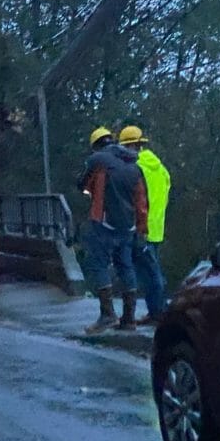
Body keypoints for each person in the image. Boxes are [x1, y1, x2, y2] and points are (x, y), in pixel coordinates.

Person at [78, 126, 147, 334]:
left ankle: (107, 315)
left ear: (96, 145)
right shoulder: (134, 165)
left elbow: (83, 184)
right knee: (126, 267)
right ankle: (129, 318)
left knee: (97, 264)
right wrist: (141, 228)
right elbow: (142, 201)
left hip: (104, 223)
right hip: (128, 226)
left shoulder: (97, 160)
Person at [120, 126, 169, 327]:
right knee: (152, 269)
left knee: (150, 273)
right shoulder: (160, 167)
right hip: (156, 227)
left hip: (141, 228)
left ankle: (159, 314)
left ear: (132, 146)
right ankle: (156, 311)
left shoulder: (135, 168)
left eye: (124, 147)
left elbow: (135, 199)